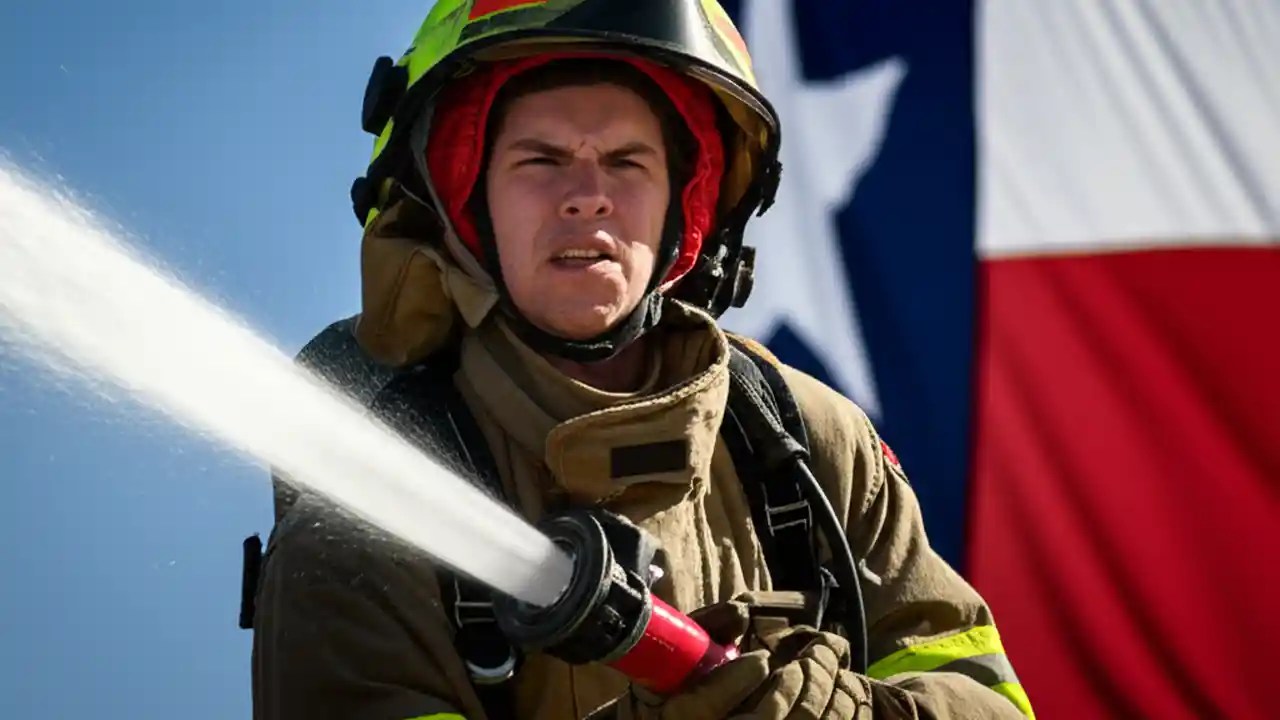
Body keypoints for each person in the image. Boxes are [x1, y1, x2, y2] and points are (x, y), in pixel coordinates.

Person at [248, 1, 1034, 718]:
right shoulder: (373, 484)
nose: (587, 195)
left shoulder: (806, 440)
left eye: (628, 162)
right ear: (464, 198)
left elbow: (991, 700)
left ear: (683, 209)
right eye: (541, 159)